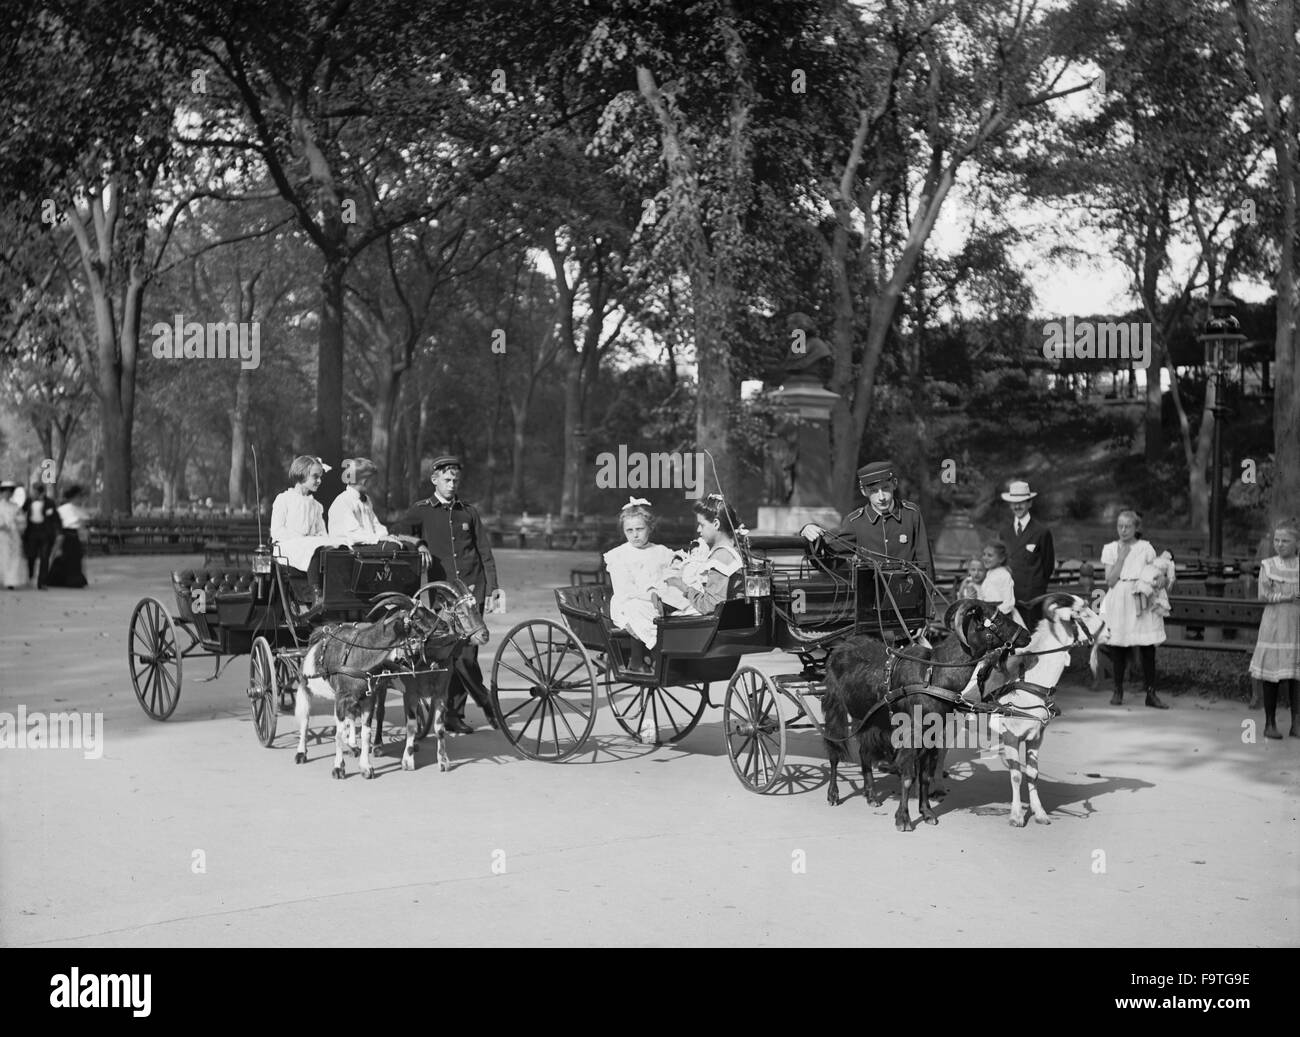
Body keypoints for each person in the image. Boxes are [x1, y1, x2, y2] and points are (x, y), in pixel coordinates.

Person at [392, 455, 502, 734]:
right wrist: (418, 544)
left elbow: (485, 552)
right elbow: (397, 532)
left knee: (467, 654)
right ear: (435, 480)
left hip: (472, 590)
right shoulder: (422, 511)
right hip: (442, 595)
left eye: (456, 480)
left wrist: (493, 588)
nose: (452, 484)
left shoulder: (469, 512)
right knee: (449, 653)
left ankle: (459, 713)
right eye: (447, 479)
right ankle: (463, 710)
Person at [800, 460, 934, 580]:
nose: (881, 497)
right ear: (864, 491)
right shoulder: (855, 522)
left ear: (894, 484)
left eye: (885, 488)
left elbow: (925, 563)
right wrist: (808, 530)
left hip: (909, 599)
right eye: (874, 491)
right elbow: (829, 560)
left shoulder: (911, 514)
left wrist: (929, 605)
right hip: (872, 603)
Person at [1098, 509, 1169, 709]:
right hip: (1119, 597)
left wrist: (1161, 577)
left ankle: (1151, 692)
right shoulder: (1111, 549)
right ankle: (1118, 689)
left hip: (1141, 596)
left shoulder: (1145, 548)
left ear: (1136, 527)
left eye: (1127, 526)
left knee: (1147, 646)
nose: (1123, 530)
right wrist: (1121, 558)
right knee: (1118, 646)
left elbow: (1156, 570)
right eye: (1119, 526)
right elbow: (1110, 581)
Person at [604, 497, 675, 673]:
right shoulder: (619, 555)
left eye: (639, 529)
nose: (635, 535)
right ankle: (639, 660)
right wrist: (650, 596)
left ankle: (669, 654)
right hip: (628, 601)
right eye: (629, 530)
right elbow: (624, 590)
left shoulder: (660, 552)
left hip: (657, 599)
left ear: (650, 528)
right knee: (639, 608)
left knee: (674, 609)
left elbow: (669, 576)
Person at [1249, 517, 1300, 739]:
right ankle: (1270, 723)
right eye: (1277, 540)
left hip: (1296, 624)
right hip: (1275, 623)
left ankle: (1296, 723)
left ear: (1296, 543)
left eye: (1285, 541)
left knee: (1296, 675)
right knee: (1273, 675)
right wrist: (1287, 595)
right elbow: (1263, 595)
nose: (1279, 544)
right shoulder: (1268, 565)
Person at [270, 456, 341, 613]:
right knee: (313, 547)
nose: (319, 481)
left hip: (308, 545)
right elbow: (277, 530)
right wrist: (302, 539)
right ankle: (316, 594)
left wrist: (321, 539)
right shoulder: (284, 499)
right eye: (315, 476)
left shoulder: (316, 505)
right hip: (287, 546)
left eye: (320, 477)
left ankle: (336, 591)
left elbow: (322, 531)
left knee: (335, 546)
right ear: (301, 474)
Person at [655, 494, 744, 616]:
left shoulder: (721, 557)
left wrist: (682, 586)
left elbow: (710, 606)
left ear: (716, 524)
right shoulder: (735, 550)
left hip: (720, 622)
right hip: (732, 616)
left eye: (702, 525)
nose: (698, 530)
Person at [997, 479, 1056, 628]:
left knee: (1032, 639)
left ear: (1030, 503)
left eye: (1022, 502)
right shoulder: (1004, 532)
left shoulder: (1041, 532)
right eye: (1014, 502)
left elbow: (1047, 567)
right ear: (1010, 505)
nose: (1017, 506)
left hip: (1032, 600)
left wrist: (1036, 589)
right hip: (1009, 598)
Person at [327, 457, 401, 545]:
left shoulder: (366, 500)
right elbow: (354, 534)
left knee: (405, 546)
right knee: (393, 548)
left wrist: (385, 536)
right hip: (348, 549)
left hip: (366, 545)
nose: (376, 485)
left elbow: (375, 524)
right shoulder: (343, 501)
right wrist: (378, 538)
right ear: (364, 481)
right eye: (374, 481)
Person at [46, 484, 90, 588]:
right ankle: (60, 579)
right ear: (73, 497)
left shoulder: (80, 509)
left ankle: (74, 580)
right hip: (66, 536)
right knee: (64, 558)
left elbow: (83, 523)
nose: (80, 499)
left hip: (75, 537)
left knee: (75, 559)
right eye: (79, 497)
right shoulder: (64, 509)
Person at [21, 484, 60, 590]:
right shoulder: (29, 501)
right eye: (32, 492)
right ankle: (30, 575)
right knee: (31, 555)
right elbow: (20, 512)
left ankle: (42, 582)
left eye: (34, 492)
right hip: (32, 531)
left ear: (40, 492)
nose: (33, 494)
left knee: (44, 557)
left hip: (45, 533)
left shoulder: (50, 503)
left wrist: (58, 532)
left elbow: (56, 518)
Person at [978, 540, 1025, 628]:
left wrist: (993, 616)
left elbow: (1009, 602)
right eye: (984, 554)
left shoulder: (1004, 575)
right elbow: (984, 595)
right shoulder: (989, 573)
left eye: (990, 555)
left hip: (1001, 618)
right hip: (987, 615)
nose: (985, 558)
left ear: (1001, 559)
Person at [0, 481, 24, 589]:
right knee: (3, 556)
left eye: (10, 492)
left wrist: (19, 525)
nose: (8, 494)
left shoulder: (15, 506)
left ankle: (11, 581)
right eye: (5, 491)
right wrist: (3, 526)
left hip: (14, 534)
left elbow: (21, 519)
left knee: (14, 557)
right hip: (2, 534)